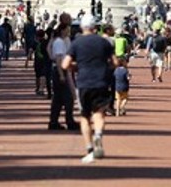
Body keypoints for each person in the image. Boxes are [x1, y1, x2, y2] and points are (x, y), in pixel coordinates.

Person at [62, 15, 116, 164]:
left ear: (82, 27)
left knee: (85, 116)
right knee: (99, 112)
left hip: (84, 82)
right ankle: (98, 134)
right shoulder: (104, 42)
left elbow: (65, 65)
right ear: (95, 27)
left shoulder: (76, 43)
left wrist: (78, 66)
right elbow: (115, 62)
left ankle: (89, 148)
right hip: (101, 81)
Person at [47, 22, 75, 130]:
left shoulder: (61, 41)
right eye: (67, 30)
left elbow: (50, 53)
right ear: (62, 30)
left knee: (58, 99)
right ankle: (69, 120)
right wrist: (61, 74)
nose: (68, 32)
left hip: (59, 69)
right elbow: (59, 59)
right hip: (60, 70)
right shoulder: (59, 42)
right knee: (67, 97)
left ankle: (54, 121)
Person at [32, 28, 50, 97]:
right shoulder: (46, 42)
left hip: (37, 61)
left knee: (37, 75)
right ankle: (41, 89)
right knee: (43, 75)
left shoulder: (35, 42)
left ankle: (38, 88)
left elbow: (31, 50)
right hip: (44, 60)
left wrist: (27, 60)